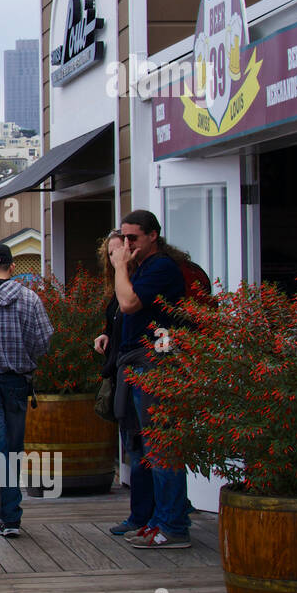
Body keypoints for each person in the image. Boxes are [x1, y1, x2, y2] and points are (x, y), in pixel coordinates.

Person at [111, 208, 189, 549]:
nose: (127, 245)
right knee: (144, 447)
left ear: (153, 235)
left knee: (162, 447)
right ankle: (158, 520)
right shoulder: (144, 268)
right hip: (137, 362)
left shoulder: (161, 268)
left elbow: (128, 303)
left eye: (133, 238)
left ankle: (173, 526)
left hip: (156, 364)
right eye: (124, 238)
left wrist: (119, 266)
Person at [0, 244, 53, 538]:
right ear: (12, 268)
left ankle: (2, 514)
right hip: (17, 381)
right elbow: (43, 342)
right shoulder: (29, 299)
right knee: (13, 448)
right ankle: (10, 517)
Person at [96, 230, 150, 536]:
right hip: (122, 371)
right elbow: (116, 320)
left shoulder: (138, 286)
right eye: (113, 253)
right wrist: (105, 335)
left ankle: (147, 516)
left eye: (124, 250)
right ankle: (141, 515)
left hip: (141, 371)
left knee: (143, 447)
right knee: (134, 446)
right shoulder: (118, 288)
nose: (119, 256)